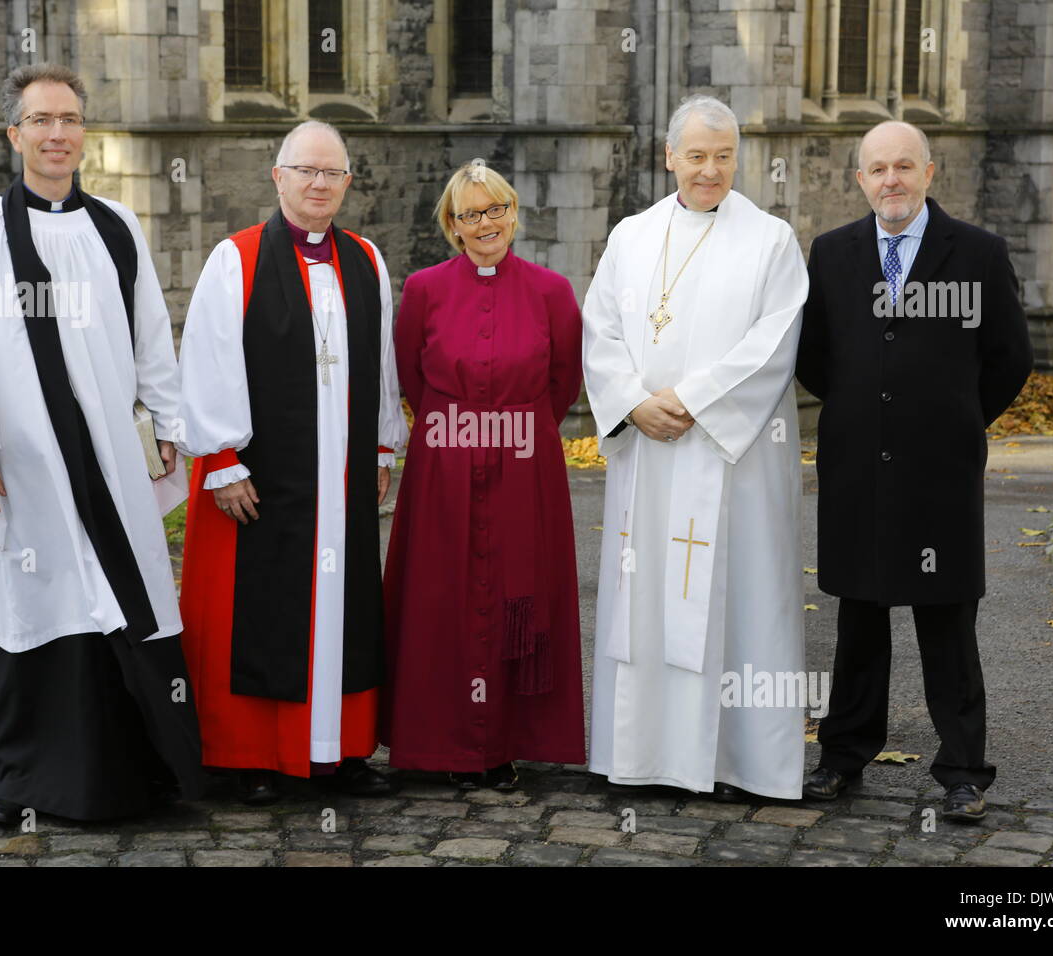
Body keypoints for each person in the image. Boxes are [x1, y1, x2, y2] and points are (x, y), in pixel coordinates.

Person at [0, 63, 204, 825]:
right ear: (14, 133)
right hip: (27, 462)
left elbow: (153, 336)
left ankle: (140, 776)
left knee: (126, 596)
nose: (58, 133)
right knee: (38, 604)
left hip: (113, 456)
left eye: (71, 119)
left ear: (85, 133)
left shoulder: (116, 226)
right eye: (42, 120)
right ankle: (22, 786)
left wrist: (169, 426)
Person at [795, 121, 1032, 821]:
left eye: (904, 166)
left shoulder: (979, 254)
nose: (890, 180)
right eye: (877, 169)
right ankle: (843, 756)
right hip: (856, 468)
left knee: (946, 621)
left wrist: (955, 418)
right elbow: (816, 358)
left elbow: (1010, 359)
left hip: (940, 471)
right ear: (860, 179)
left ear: (930, 173)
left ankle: (963, 772)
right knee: (859, 621)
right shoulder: (833, 253)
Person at [582, 94, 808, 800]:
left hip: (730, 460)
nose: (709, 170)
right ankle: (642, 756)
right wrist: (633, 404)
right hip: (651, 455)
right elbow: (601, 332)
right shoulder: (630, 236)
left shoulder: (770, 240)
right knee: (647, 598)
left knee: (739, 599)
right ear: (669, 156)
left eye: (723, 156)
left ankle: (741, 762)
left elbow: (774, 342)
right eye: (697, 155)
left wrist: (692, 400)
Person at [176, 120, 408, 804]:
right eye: (305, 171)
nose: (318, 184)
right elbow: (206, 360)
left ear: (347, 184)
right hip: (261, 477)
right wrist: (220, 458)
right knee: (263, 609)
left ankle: (341, 751)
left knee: (346, 607)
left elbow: (381, 363)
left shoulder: (366, 259)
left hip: (341, 478)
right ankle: (253, 757)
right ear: (277, 177)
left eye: (332, 173)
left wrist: (380, 443)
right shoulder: (237, 259)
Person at [381, 163, 586, 789]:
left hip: (527, 467)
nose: (485, 222)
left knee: (516, 599)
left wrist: (512, 431)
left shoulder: (553, 291)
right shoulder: (422, 289)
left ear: (513, 212)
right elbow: (412, 378)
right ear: (452, 225)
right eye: (470, 214)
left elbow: (564, 383)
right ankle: (433, 745)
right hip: (444, 464)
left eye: (495, 208)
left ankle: (505, 744)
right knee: (439, 597)